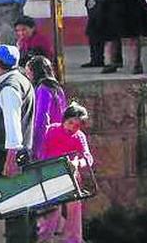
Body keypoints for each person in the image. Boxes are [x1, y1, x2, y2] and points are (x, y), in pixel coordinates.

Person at [0, 44, 36, 243]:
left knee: (13, 204)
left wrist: (10, 160)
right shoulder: (21, 80)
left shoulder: (9, 89)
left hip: (11, 155)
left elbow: (13, 128)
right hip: (22, 153)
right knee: (21, 204)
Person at [38, 102, 94, 243]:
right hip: (50, 174)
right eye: (70, 123)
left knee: (74, 209)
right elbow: (41, 152)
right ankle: (45, 237)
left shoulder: (79, 136)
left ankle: (73, 238)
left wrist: (78, 163)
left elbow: (88, 157)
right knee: (51, 209)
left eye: (77, 125)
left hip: (70, 176)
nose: (73, 128)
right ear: (64, 120)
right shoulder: (51, 131)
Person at [24, 56, 66, 160]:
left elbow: (41, 119)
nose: (28, 76)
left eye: (29, 73)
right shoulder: (57, 88)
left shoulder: (43, 89)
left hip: (47, 140)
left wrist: (35, 146)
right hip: (60, 135)